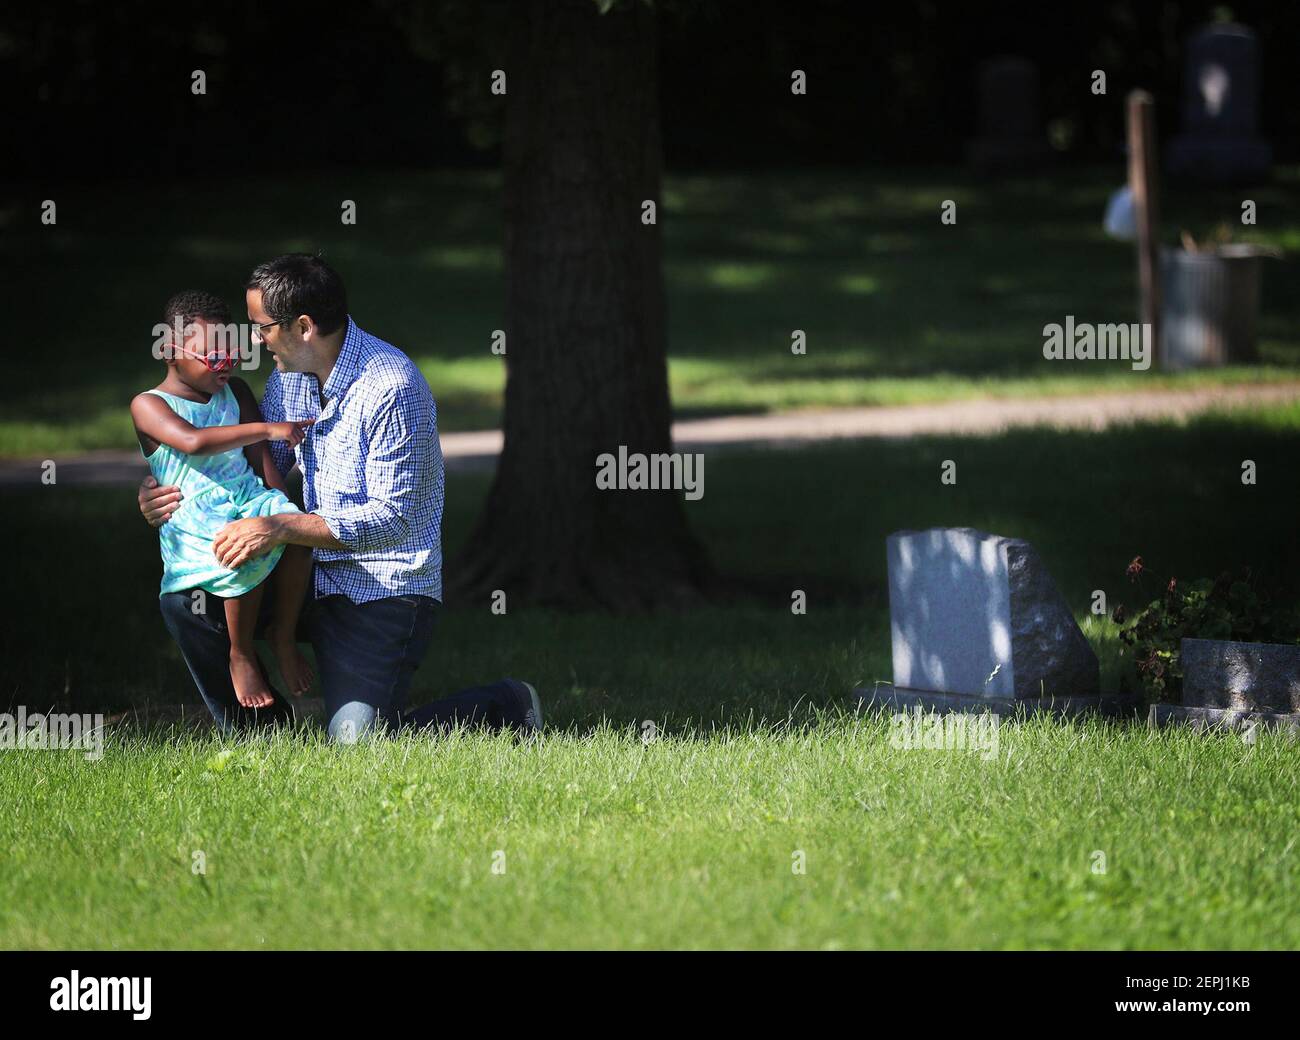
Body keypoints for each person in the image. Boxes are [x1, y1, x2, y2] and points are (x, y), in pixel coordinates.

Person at [138, 255, 541, 741]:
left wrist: (282, 527)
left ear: (303, 326)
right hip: (305, 571)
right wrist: (165, 488)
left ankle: (506, 704)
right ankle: (262, 735)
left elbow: (392, 520)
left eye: (261, 327)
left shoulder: (392, 386)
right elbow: (255, 468)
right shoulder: (290, 376)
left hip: (380, 588)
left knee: (357, 745)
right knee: (188, 600)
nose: (252, 342)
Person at [133, 291, 315, 711]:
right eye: (210, 356)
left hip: (247, 497)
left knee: (298, 531)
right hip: (197, 513)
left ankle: (282, 637)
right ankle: (240, 652)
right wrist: (268, 428)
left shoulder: (235, 392)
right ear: (168, 352)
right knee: (240, 548)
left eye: (229, 353)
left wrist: (281, 508)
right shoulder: (149, 404)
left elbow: (263, 466)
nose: (225, 364)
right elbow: (194, 442)